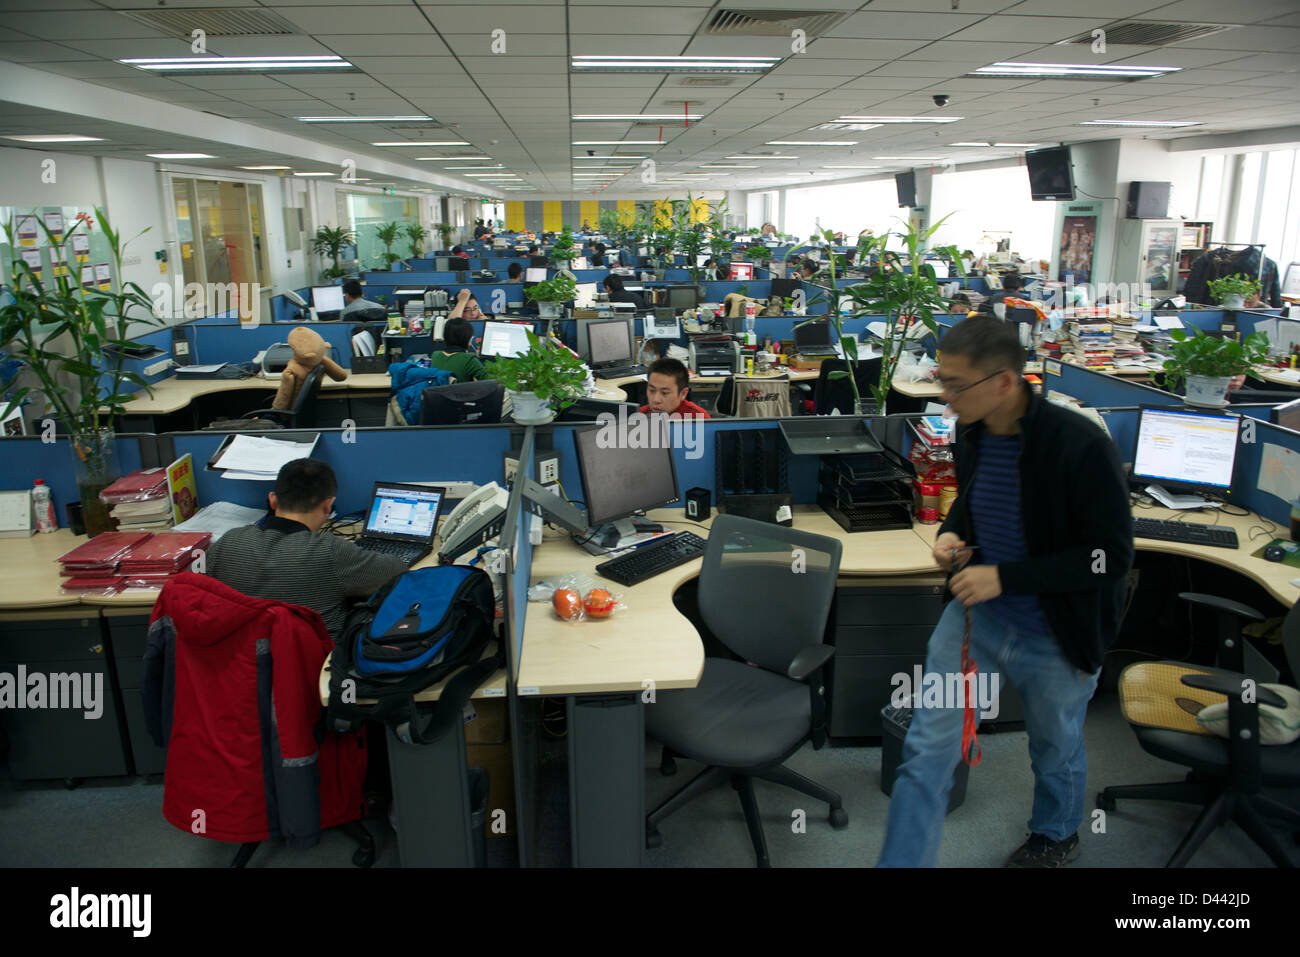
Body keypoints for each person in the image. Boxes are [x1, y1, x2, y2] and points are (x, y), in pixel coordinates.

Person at [877, 316, 1132, 868]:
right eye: (941, 380)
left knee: (1053, 747)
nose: (944, 398)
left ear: (1005, 383)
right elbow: (972, 496)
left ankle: (1056, 833)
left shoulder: (1080, 446)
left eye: (955, 385)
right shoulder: (973, 430)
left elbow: (1110, 558)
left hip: (1058, 633)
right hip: (979, 621)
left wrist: (1006, 576)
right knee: (926, 752)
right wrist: (951, 532)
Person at [204, 459, 408, 641]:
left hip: (243, 662)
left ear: (273, 500)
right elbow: (396, 571)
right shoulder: (330, 551)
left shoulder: (229, 542)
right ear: (328, 506)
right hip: (314, 666)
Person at [640, 358, 709, 418]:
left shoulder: (698, 419)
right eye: (652, 390)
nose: (656, 400)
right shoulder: (639, 416)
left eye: (665, 393)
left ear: (683, 394)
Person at [428, 316, 487, 382]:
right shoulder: (469, 360)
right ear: (469, 339)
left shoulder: (436, 355)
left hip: (440, 392)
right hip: (463, 392)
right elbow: (490, 382)